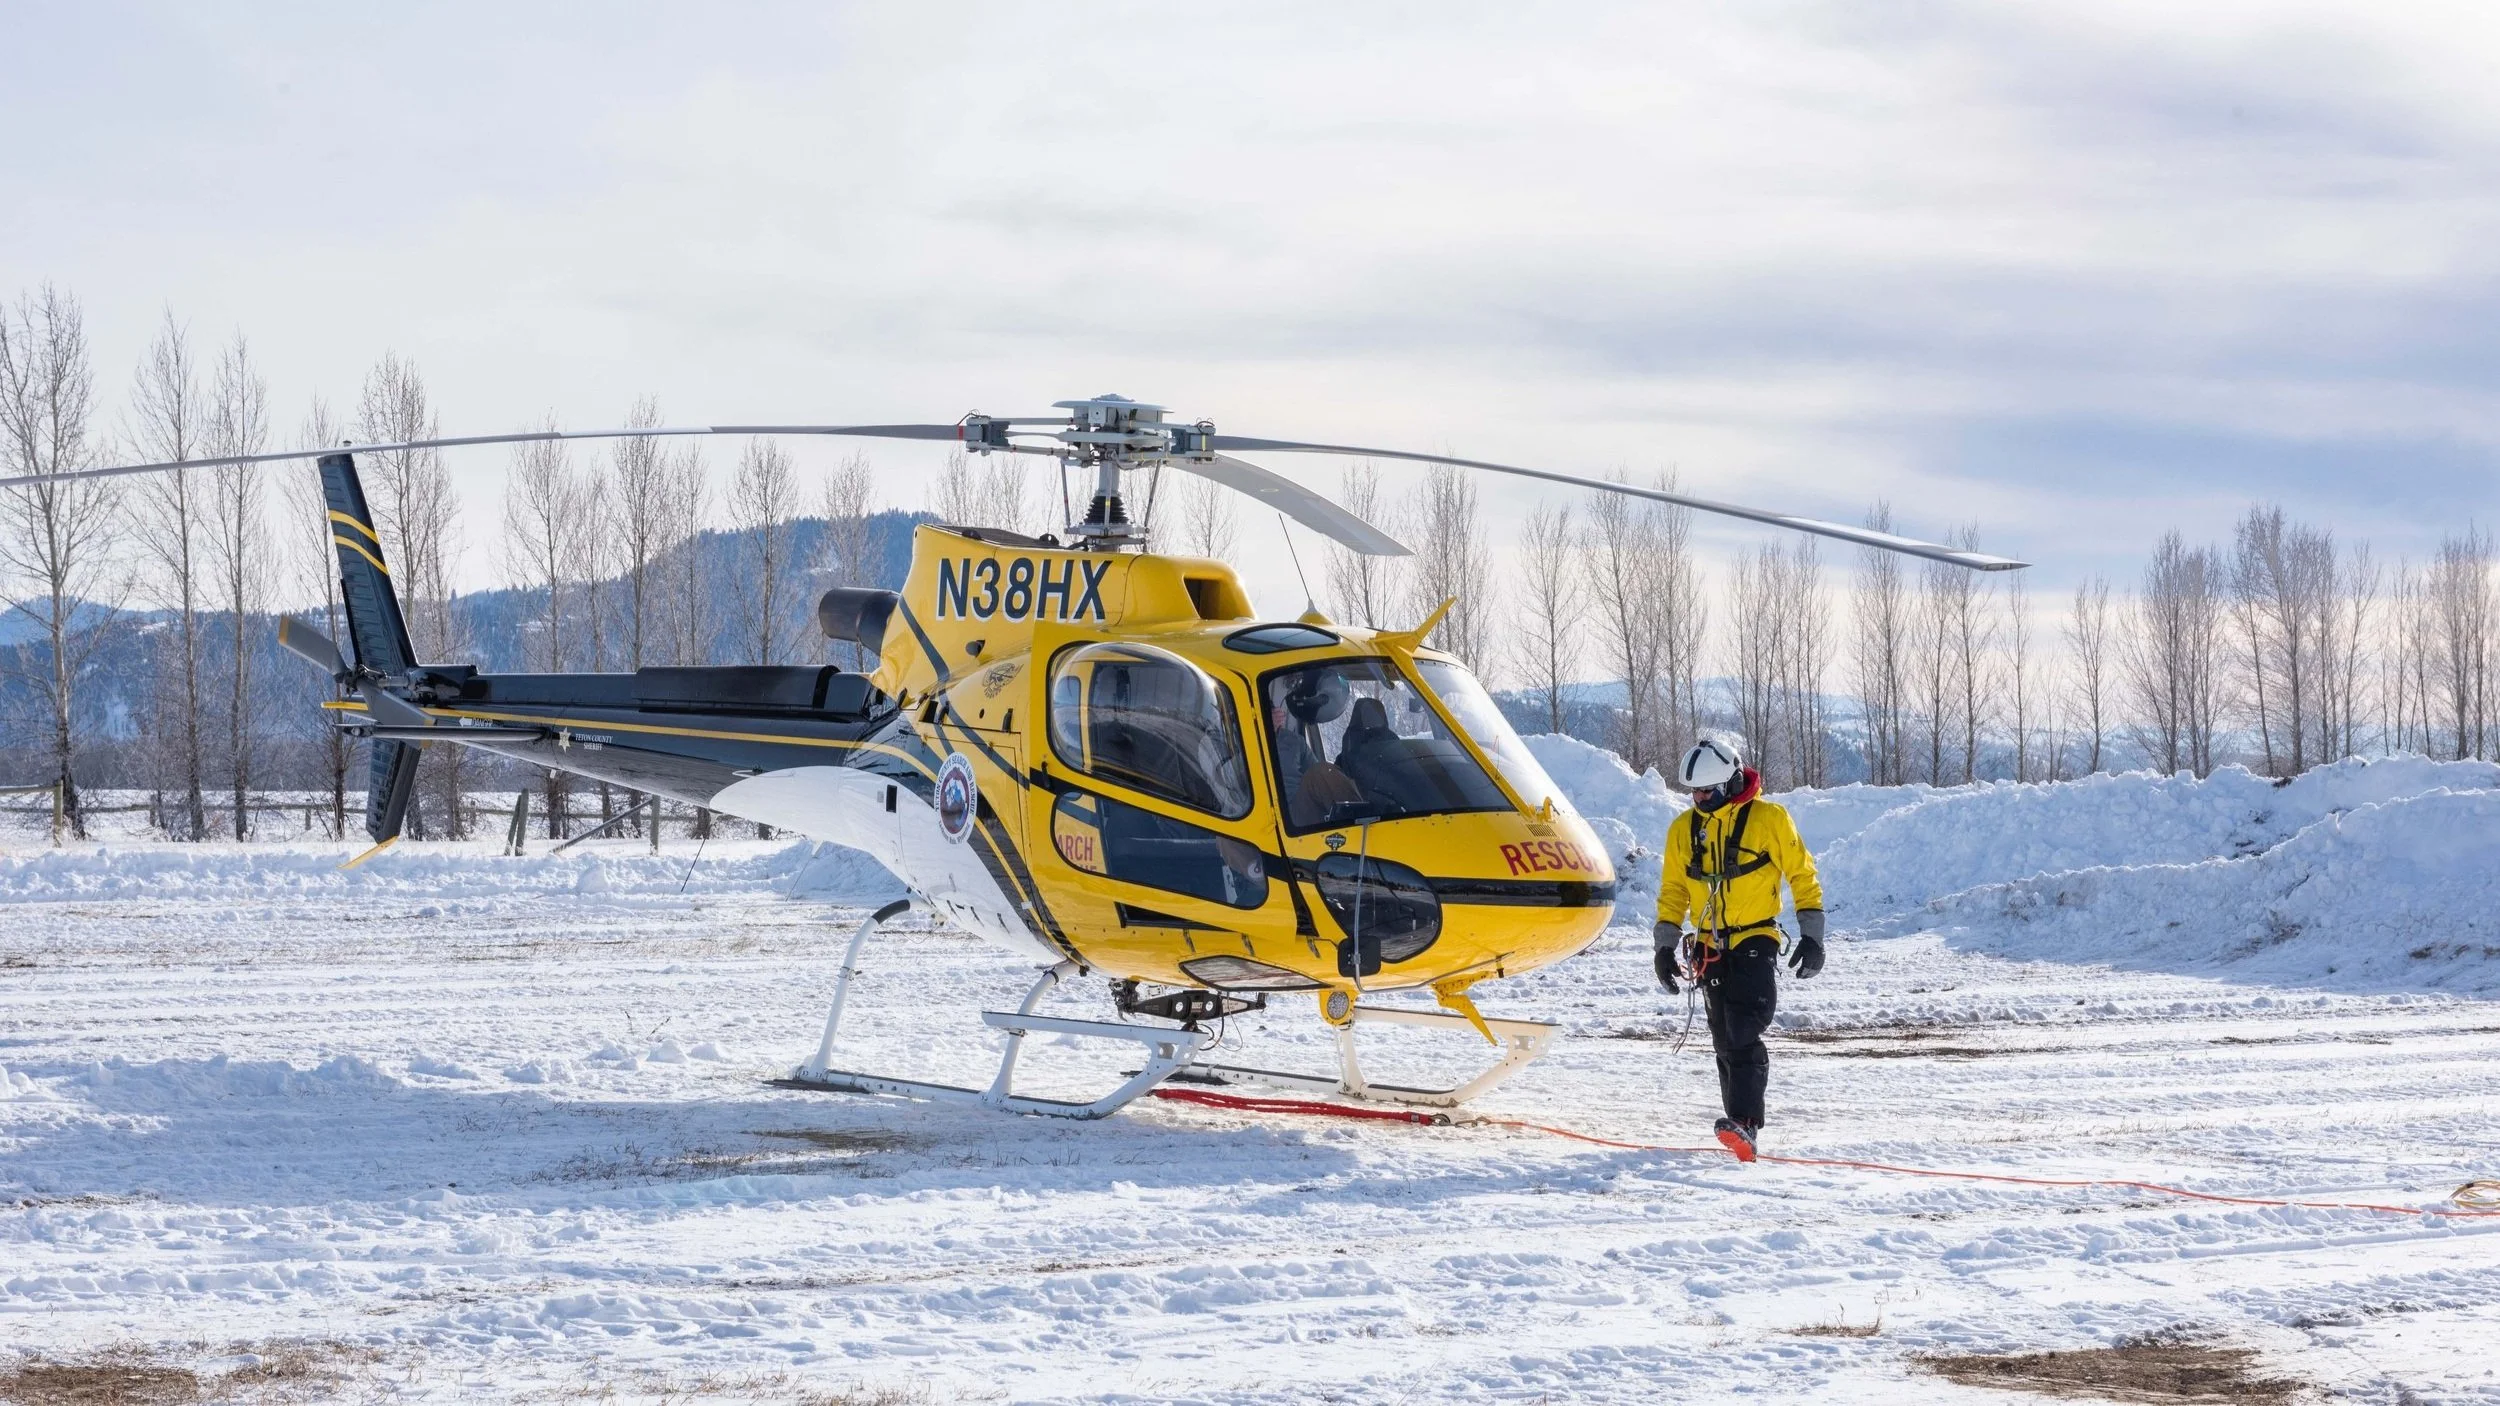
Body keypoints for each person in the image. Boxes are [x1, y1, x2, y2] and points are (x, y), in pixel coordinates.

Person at [1652, 737, 1825, 1162]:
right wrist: (1664, 946)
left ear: (1730, 784)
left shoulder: (1770, 819)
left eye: (1707, 792)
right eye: (1694, 792)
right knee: (1723, 1038)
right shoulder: (1682, 830)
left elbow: (1801, 874)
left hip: (1755, 938)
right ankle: (1739, 1128)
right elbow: (1673, 891)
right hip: (1708, 946)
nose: (1699, 799)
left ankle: (1746, 1123)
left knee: (1744, 1029)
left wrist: (1812, 935)